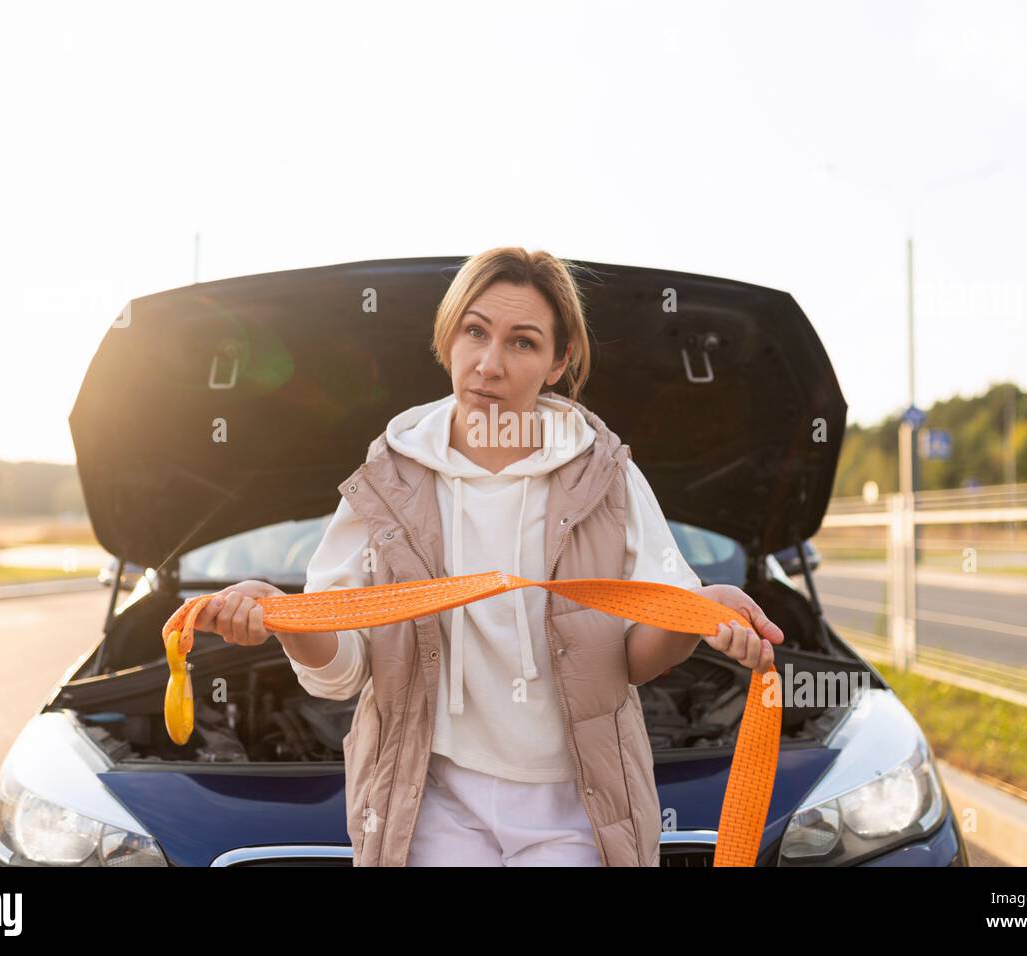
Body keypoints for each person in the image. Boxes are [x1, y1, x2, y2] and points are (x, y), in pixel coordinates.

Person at [191, 247, 783, 866]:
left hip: (577, 804)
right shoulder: (388, 479)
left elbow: (634, 661)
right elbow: (341, 673)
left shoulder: (606, 477)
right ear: (449, 341)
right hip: (432, 799)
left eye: (523, 343)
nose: (489, 365)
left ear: (560, 363)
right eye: (475, 332)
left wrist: (696, 616)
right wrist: (285, 619)